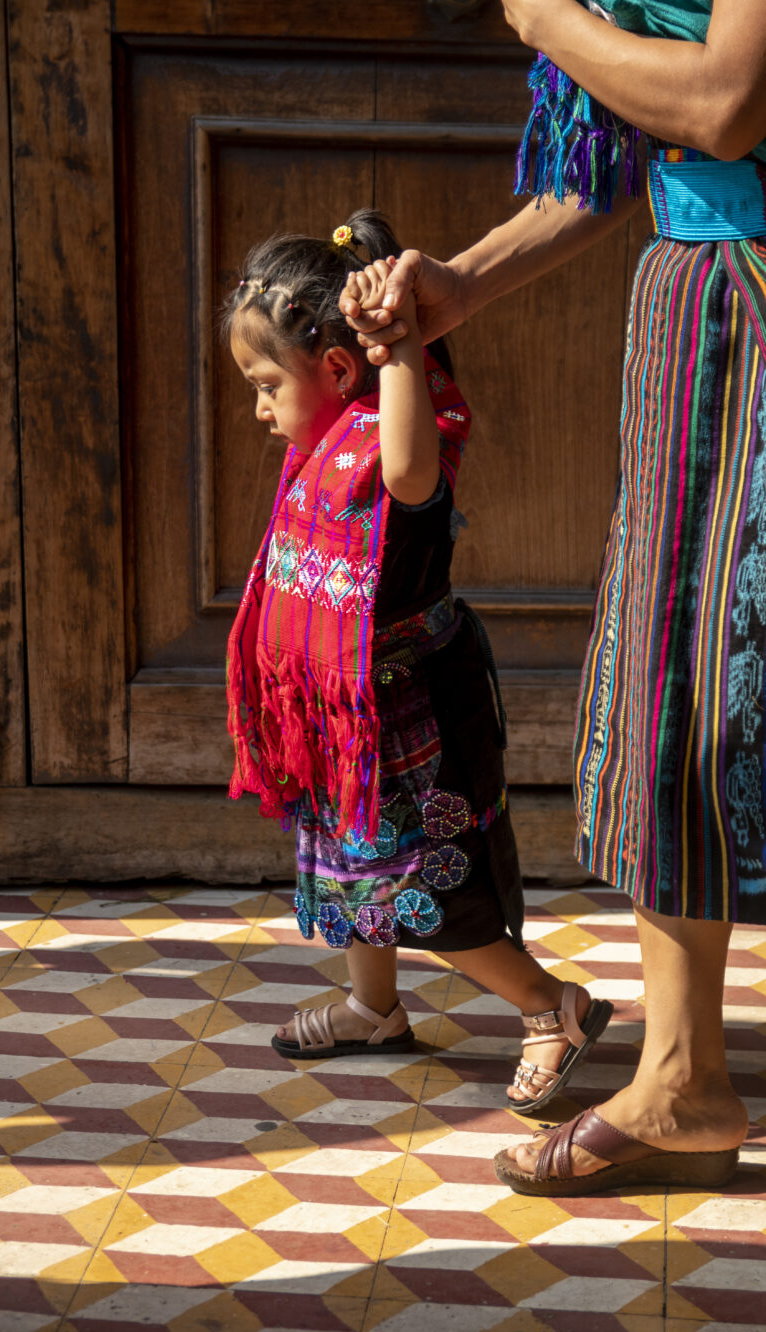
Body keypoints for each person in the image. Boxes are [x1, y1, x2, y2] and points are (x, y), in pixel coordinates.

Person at [339, 0, 766, 1194]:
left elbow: (726, 105)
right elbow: (636, 139)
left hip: (750, 307)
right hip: (703, 294)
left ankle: (686, 1076)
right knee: (681, 674)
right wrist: (463, 282)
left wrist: (542, 15)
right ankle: (682, 1071)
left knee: (710, 678)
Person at [222, 209, 612, 1106]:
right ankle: (375, 1006)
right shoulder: (329, 438)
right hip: (355, 712)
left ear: (335, 368)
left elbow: (404, 470)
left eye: (265, 384)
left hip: (410, 716)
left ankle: (555, 1008)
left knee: (430, 885)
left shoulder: (399, 444)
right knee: (363, 870)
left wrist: (395, 342)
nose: (259, 409)